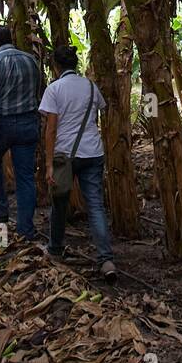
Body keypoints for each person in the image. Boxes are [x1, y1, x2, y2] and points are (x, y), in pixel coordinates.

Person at [41, 45, 115, 280]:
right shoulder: (91, 86)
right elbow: (100, 113)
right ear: (75, 64)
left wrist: (49, 163)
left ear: (56, 65)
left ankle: (55, 248)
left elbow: (51, 129)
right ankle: (106, 259)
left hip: (65, 155)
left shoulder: (54, 89)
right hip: (93, 152)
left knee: (59, 203)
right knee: (95, 205)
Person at [0, 25, 42, 241]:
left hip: (1, 125)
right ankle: (25, 228)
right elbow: (38, 90)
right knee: (25, 176)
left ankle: (1, 210)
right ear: (11, 39)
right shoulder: (30, 60)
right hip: (27, 122)